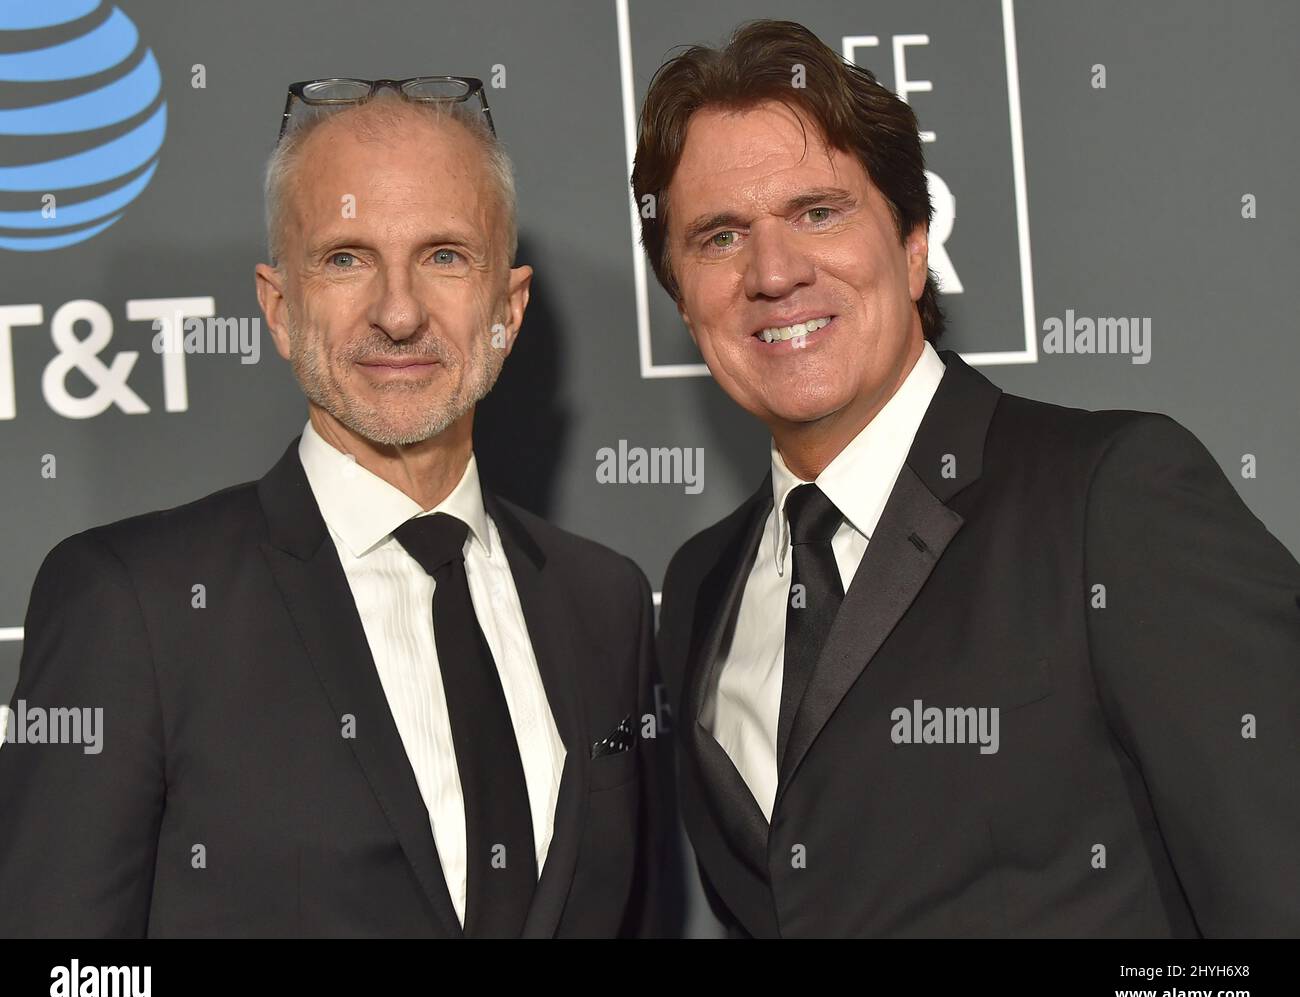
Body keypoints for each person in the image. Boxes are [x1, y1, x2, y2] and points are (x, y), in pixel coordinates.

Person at [638, 21, 1300, 937]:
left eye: (819, 212)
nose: (775, 271)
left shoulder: (1110, 499)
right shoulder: (702, 586)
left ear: (914, 245)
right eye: (719, 236)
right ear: (681, 294)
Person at [0, 79, 659, 938]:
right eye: (346, 257)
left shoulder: (604, 601)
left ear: (509, 309)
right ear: (279, 309)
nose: (397, 311)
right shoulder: (133, 604)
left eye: (445, 255)